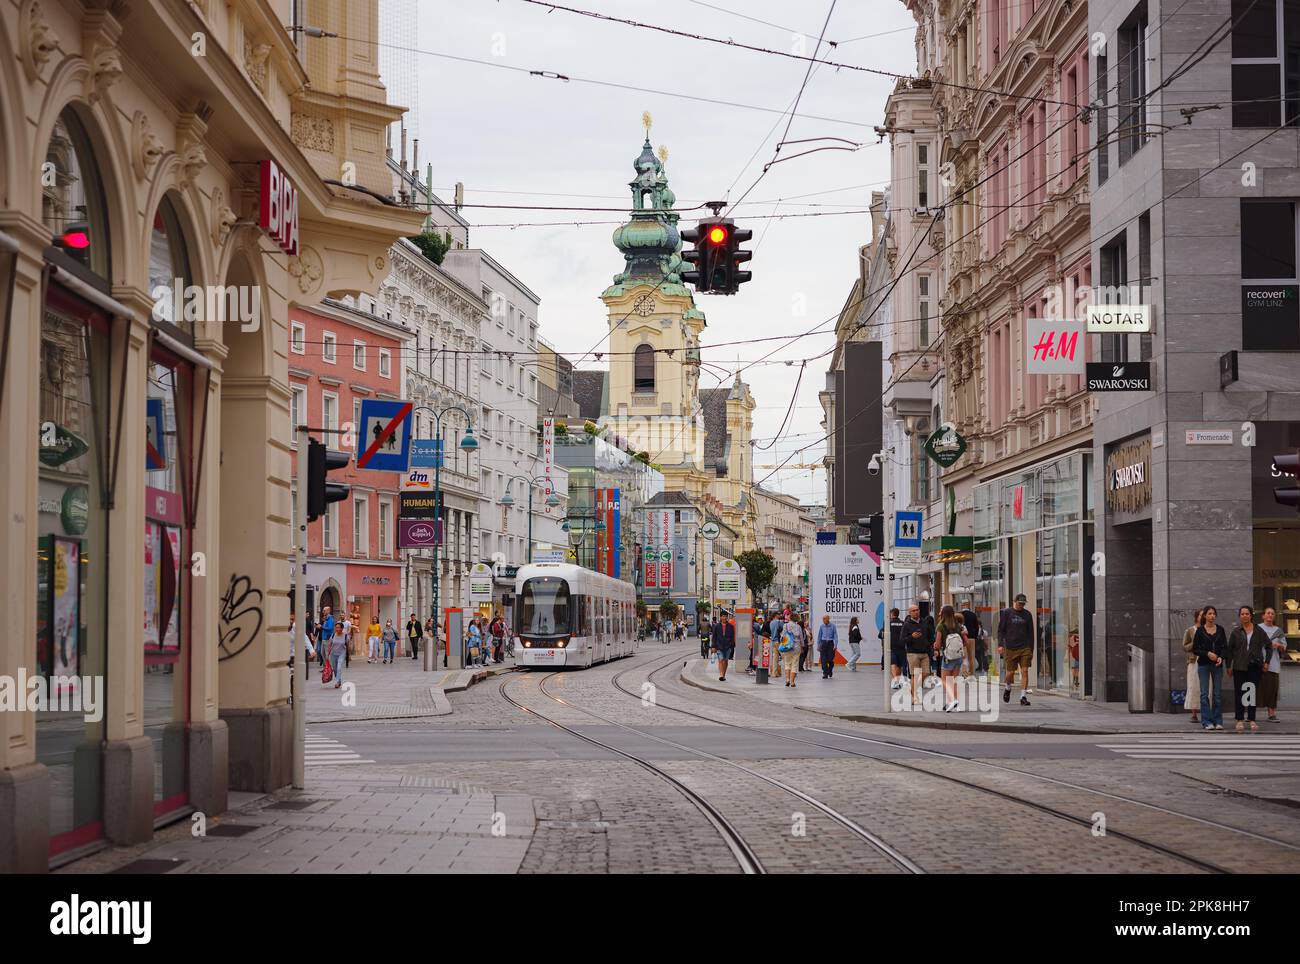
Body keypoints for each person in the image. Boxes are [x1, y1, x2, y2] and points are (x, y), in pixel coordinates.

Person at [1227, 605, 1268, 733]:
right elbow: (1230, 651)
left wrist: (1266, 662)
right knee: (1239, 693)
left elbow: (1269, 646)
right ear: (1240, 616)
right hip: (1239, 666)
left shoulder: (1259, 630)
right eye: (1242, 614)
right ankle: (1239, 719)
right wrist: (1228, 666)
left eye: (1247, 614)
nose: (1245, 616)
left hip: (1254, 667)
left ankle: (1251, 719)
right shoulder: (1236, 632)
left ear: (1251, 615)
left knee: (1251, 694)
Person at [1192, 606, 1227, 731]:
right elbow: (1195, 649)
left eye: (1214, 614)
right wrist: (1207, 653)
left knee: (1217, 694)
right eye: (1209, 614)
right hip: (1204, 665)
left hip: (1217, 665)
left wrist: (1221, 658)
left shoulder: (1221, 630)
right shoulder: (1200, 631)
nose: (1212, 616)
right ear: (1205, 616)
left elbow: (1224, 647)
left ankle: (1218, 721)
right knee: (1204, 694)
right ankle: (1206, 721)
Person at [998, 594, 1035, 706]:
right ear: (1014, 601)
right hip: (1010, 647)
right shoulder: (1006, 613)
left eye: (1023, 604)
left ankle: (1023, 696)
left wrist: (1031, 649)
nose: (1022, 605)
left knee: (1024, 671)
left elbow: (1031, 633)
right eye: (1020, 603)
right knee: (1010, 673)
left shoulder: (1027, 614)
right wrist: (1000, 645)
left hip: (1025, 647)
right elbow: (1001, 630)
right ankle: (1008, 687)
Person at [936, 605, 969, 713]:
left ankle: (953, 700)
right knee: (954, 680)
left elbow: (938, 644)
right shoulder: (958, 625)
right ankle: (953, 702)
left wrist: (935, 647)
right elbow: (966, 641)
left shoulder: (940, 626)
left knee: (945, 680)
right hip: (958, 657)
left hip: (947, 657)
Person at [901, 604, 932, 706]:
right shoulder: (906, 624)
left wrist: (931, 649)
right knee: (916, 675)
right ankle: (915, 697)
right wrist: (911, 636)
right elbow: (902, 640)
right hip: (913, 653)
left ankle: (912, 689)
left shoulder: (924, 622)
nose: (916, 612)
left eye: (917, 610)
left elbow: (929, 637)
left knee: (926, 674)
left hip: (925, 652)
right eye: (913, 610)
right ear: (909, 613)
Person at [1261, 607, 1285, 722]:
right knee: (1256, 689)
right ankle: (1250, 715)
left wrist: (1278, 646)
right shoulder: (1258, 628)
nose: (1270, 615)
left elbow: (1284, 647)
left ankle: (1271, 714)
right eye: (1268, 613)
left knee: (1272, 690)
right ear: (1263, 616)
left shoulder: (1278, 631)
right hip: (1258, 663)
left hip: (1273, 664)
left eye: (1272, 613)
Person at [1181, 609, 1204, 724]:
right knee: (1193, 686)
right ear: (1196, 617)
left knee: (1205, 686)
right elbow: (1185, 647)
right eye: (1201, 615)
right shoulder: (1190, 630)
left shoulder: (1208, 629)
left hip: (1206, 660)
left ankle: (1205, 712)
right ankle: (1194, 713)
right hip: (1194, 661)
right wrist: (1194, 642)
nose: (1203, 617)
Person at [881, 608, 906, 689]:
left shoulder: (888, 624)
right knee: (899, 665)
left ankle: (895, 681)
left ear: (892, 614)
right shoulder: (903, 623)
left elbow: (881, 635)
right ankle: (897, 681)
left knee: (893, 664)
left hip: (891, 647)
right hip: (901, 647)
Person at [779, 615, 803, 687]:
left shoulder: (785, 625)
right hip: (797, 647)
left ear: (790, 618)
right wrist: (802, 646)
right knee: (794, 665)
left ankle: (787, 680)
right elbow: (801, 638)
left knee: (787, 663)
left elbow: (782, 636)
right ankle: (792, 682)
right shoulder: (798, 627)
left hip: (787, 647)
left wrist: (782, 642)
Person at [712, 611, 736, 681]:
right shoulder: (717, 626)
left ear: (727, 617)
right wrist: (713, 646)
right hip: (719, 646)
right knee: (721, 660)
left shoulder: (731, 626)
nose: (724, 618)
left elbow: (732, 636)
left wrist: (732, 645)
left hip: (727, 647)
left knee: (725, 661)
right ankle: (721, 675)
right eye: (723, 616)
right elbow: (714, 637)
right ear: (721, 617)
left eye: (725, 616)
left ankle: (724, 675)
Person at [960, 603, 982, 677]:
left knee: (964, 656)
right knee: (971, 656)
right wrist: (974, 636)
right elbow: (977, 627)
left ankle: (965, 672)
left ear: (962, 606)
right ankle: (971, 673)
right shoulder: (973, 615)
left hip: (962, 638)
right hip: (971, 638)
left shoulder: (959, 614)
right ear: (968, 606)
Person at [327, 612, 347, 689]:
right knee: (335, 669)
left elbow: (347, 644)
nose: (337, 629)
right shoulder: (333, 635)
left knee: (339, 668)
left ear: (342, 628)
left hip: (342, 653)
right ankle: (339, 680)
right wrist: (328, 653)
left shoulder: (345, 636)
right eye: (336, 627)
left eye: (339, 627)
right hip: (333, 654)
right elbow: (330, 644)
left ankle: (337, 682)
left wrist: (347, 655)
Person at [816, 615, 838, 679]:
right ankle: (825, 673)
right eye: (823, 619)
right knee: (823, 660)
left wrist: (835, 645)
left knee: (830, 659)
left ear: (828, 619)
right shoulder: (821, 626)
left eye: (825, 619)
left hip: (830, 644)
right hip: (823, 643)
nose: (823, 620)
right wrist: (818, 645)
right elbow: (819, 637)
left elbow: (835, 636)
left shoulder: (833, 626)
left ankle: (830, 670)